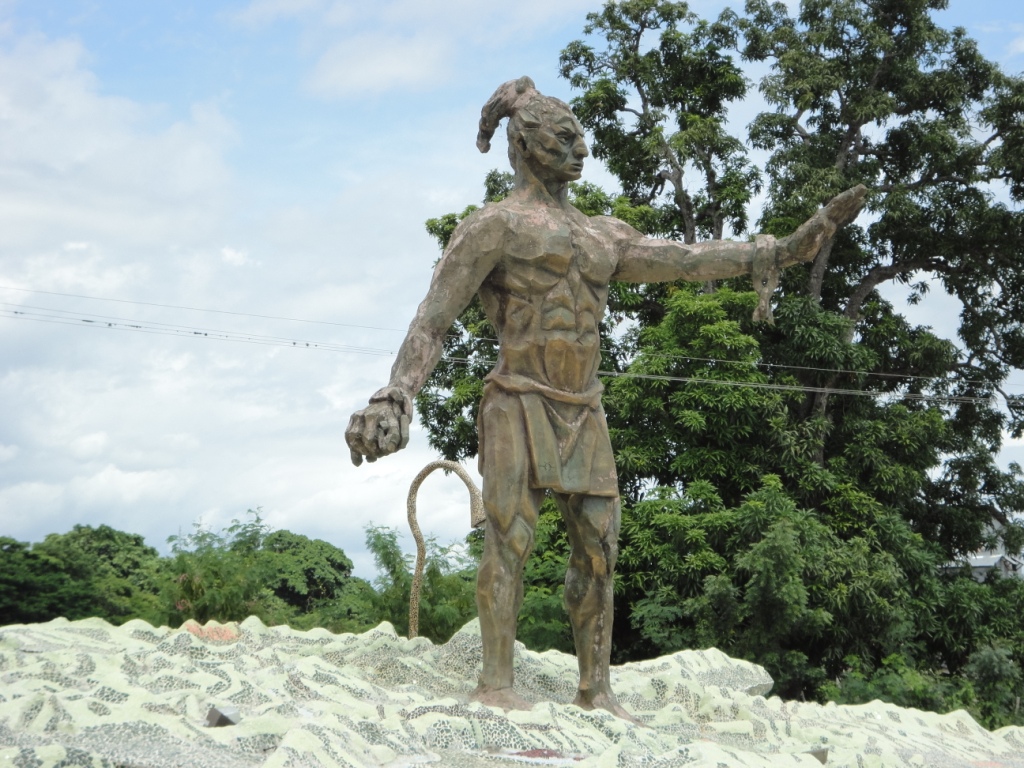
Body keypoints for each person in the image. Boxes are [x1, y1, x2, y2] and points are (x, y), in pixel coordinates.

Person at [346, 76, 866, 720]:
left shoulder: (605, 236)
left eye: (581, 138)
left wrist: (780, 250)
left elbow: (687, 258)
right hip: (516, 398)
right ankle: (496, 682)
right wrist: (397, 393)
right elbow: (434, 318)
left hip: (582, 406)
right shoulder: (491, 228)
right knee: (509, 539)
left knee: (600, 547)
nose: (581, 149)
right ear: (524, 143)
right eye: (565, 138)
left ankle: (596, 689)